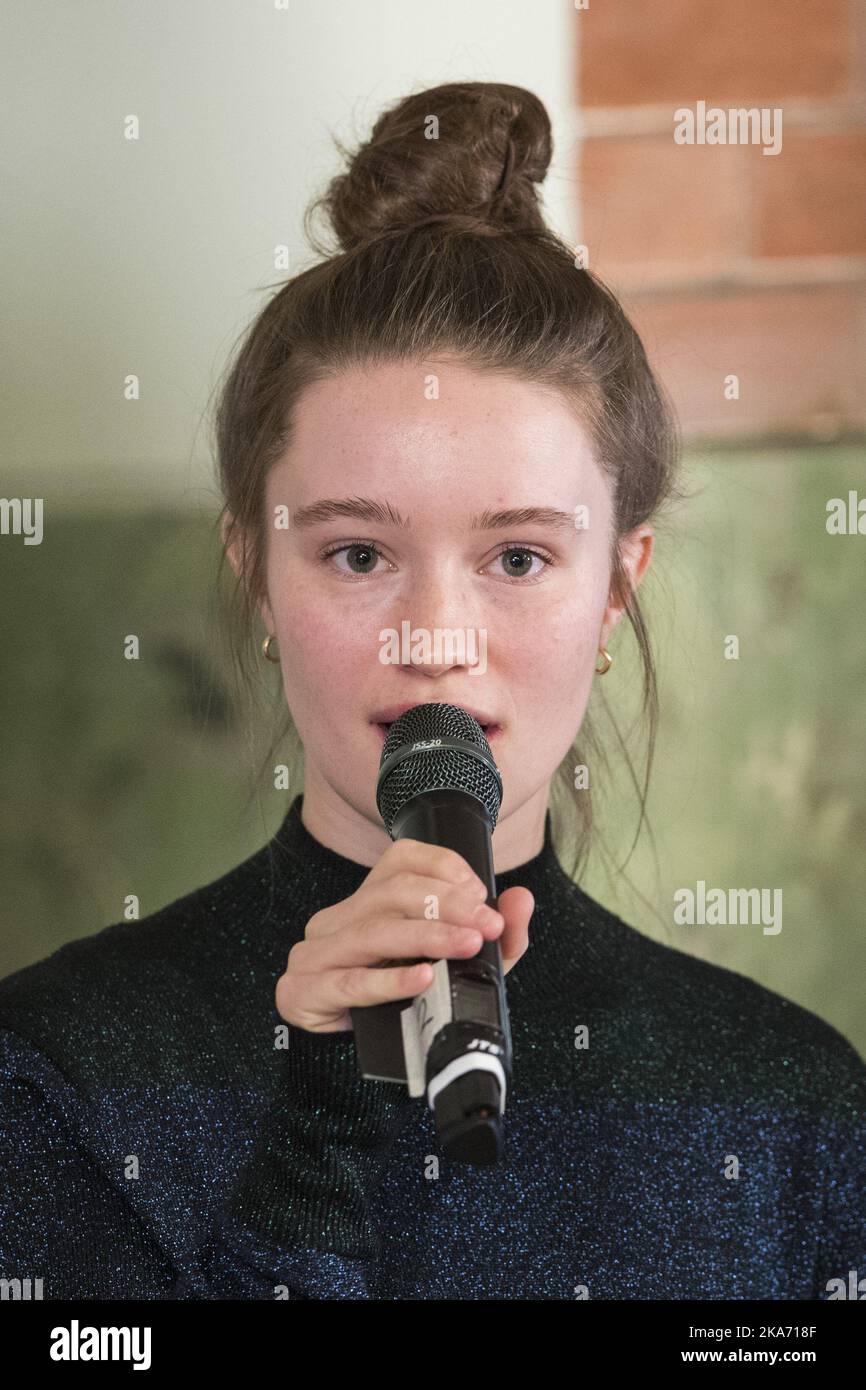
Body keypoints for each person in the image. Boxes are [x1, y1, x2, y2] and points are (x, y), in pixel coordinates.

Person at [1, 81, 864, 1301]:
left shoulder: (789, 1108)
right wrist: (314, 1128)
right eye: (357, 554)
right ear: (256, 571)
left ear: (616, 587)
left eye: (517, 557)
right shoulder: (58, 1070)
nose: (434, 641)